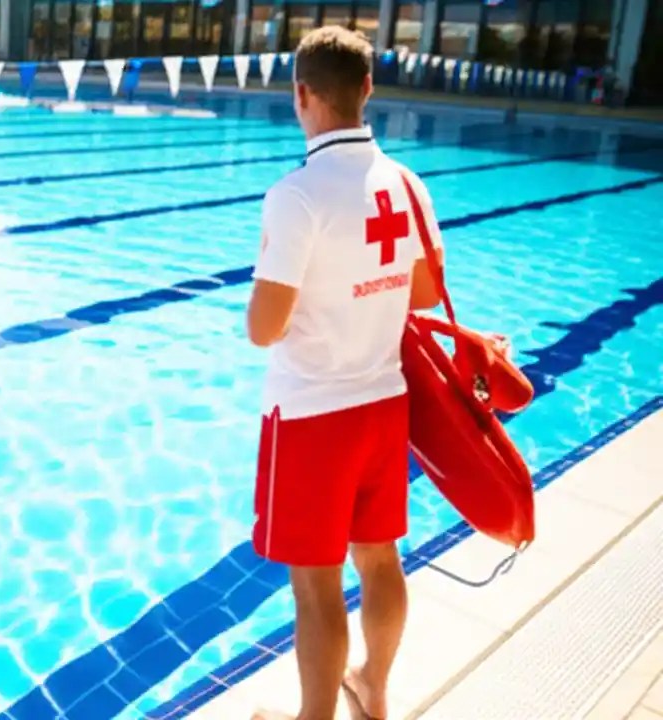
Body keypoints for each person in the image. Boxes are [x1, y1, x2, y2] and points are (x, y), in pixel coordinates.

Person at [245, 26, 443, 720]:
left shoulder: (294, 196)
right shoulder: (407, 185)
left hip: (312, 420)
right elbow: (420, 294)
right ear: (367, 90)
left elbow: (263, 329)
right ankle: (375, 689)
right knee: (380, 560)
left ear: (301, 94)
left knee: (316, 585)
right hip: (384, 406)